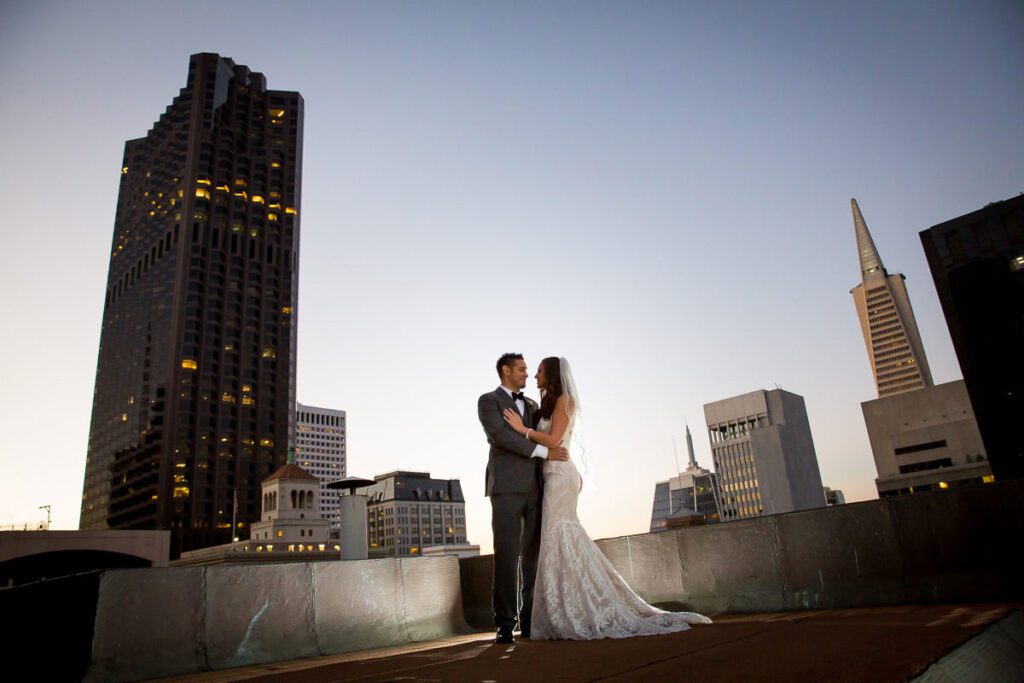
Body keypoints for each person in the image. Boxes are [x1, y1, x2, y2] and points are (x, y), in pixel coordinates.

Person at [502, 356, 712, 640]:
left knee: (561, 535)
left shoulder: (565, 400)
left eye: (539, 371)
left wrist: (521, 429)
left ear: (551, 374)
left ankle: (582, 607)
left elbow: (554, 441)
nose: (535, 376)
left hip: (560, 478)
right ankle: (565, 607)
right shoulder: (548, 405)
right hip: (552, 476)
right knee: (558, 539)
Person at [478, 353, 569, 644]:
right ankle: (505, 624)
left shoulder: (531, 405)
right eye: (521, 369)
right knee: (506, 556)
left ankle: (530, 621)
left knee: (532, 558)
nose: (527, 374)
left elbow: (554, 433)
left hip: (537, 489)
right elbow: (501, 436)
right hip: (505, 488)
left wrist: (569, 467)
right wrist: (545, 453)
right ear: (506, 371)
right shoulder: (488, 401)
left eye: (529, 369)